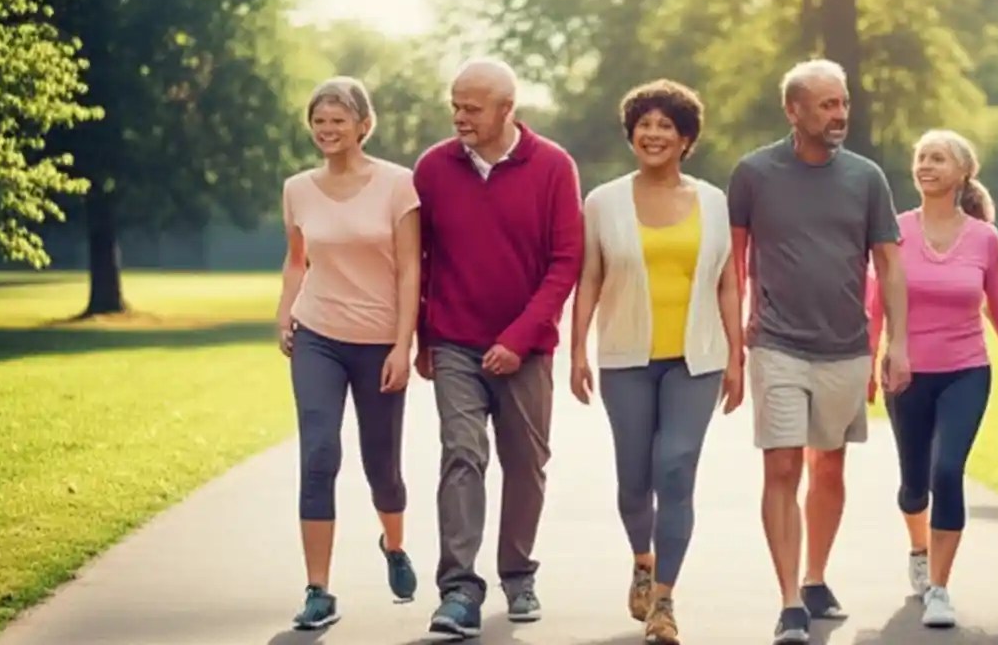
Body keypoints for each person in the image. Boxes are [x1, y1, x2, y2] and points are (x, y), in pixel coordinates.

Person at [727, 59, 910, 645]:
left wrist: (895, 343)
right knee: (781, 463)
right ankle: (789, 604)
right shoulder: (753, 174)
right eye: (827, 105)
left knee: (827, 463)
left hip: (845, 347)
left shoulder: (866, 178)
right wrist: (734, 345)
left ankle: (814, 578)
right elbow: (733, 263)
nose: (839, 115)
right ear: (794, 111)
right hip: (776, 342)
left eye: (844, 103)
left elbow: (888, 263)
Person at [412, 57, 585, 638]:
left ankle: (517, 573)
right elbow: (419, 259)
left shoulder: (554, 166)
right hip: (455, 341)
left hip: (527, 348)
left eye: (471, 107)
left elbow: (566, 263)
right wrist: (421, 334)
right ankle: (458, 589)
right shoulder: (433, 169)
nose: (459, 116)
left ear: (507, 109)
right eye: (454, 105)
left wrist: (518, 338)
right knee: (461, 454)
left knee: (526, 464)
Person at [569, 79, 745, 645]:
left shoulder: (713, 201)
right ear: (631, 134)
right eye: (644, 124)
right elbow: (589, 278)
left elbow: (728, 283)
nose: (653, 134)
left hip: (697, 358)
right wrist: (577, 350)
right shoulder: (603, 202)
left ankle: (664, 602)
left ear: (685, 137)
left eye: (665, 125)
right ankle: (642, 560)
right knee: (633, 480)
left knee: (676, 467)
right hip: (626, 355)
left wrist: (737, 357)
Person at [274, 76, 421, 630]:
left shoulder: (398, 185)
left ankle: (395, 544)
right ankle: (319, 589)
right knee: (318, 454)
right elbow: (296, 259)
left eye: (338, 120)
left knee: (381, 464)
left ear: (363, 124)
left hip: (380, 339)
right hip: (318, 335)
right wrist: (285, 310)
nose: (327, 130)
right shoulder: (297, 188)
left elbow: (410, 268)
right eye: (319, 121)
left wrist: (403, 343)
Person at [865, 129, 998, 628]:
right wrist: (868, 363)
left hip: (966, 370)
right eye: (921, 158)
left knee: (947, 470)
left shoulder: (984, 237)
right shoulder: (893, 229)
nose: (926, 165)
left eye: (938, 158)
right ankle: (918, 548)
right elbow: (874, 303)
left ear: (962, 172)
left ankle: (939, 587)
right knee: (914, 486)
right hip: (906, 373)